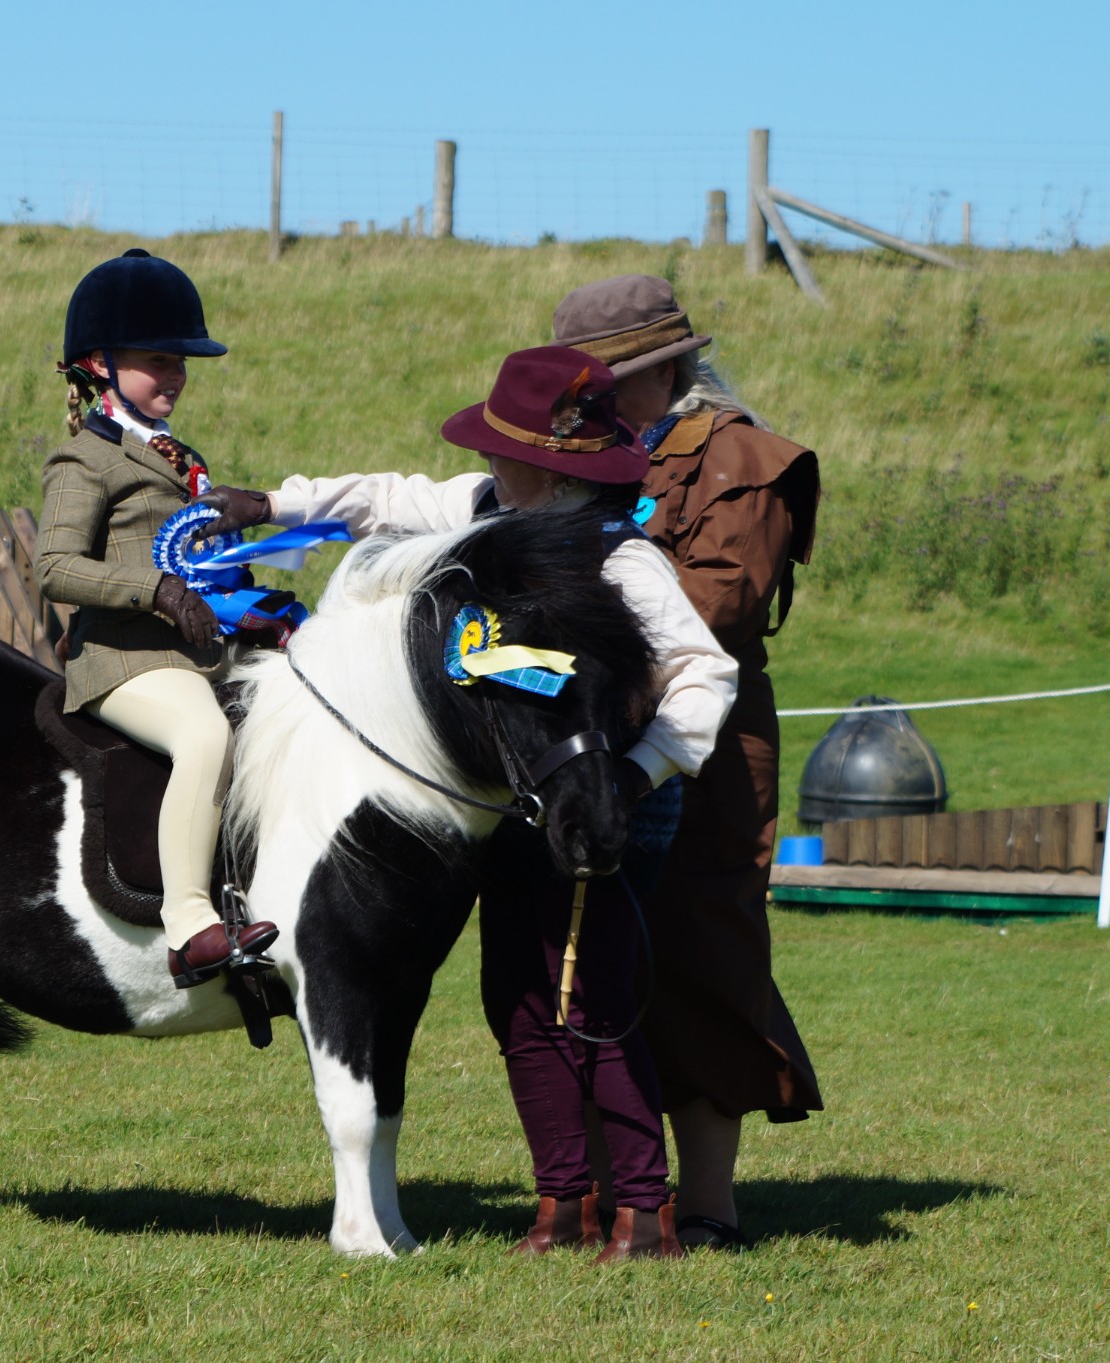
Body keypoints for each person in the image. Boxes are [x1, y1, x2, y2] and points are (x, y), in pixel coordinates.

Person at [198, 346, 737, 1260]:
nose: (486, 462)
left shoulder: (619, 556)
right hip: (514, 810)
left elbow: (703, 673)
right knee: (517, 1002)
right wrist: (274, 506)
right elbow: (384, 497)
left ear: (548, 463)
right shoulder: (487, 510)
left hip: (600, 808)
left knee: (593, 1000)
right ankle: (559, 1203)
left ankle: (645, 1212)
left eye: (502, 450)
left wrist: (635, 775)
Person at [551, 274, 823, 1249]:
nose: (588, 397)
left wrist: (573, 612)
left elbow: (719, 605)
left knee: (702, 954)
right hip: (589, 719)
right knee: (586, 959)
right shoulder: (583, 451)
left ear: (664, 364)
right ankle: (595, 1193)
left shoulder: (744, 458)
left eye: (607, 378)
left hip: (707, 736)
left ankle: (707, 1207)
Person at [33, 249, 278, 987]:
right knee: (203, 734)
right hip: (123, 662)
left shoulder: (180, 459)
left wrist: (251, 611)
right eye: (156, 361)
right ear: (101, 364)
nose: (173, 374)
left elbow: (203, 563)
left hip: (199, 653)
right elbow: (53, 566)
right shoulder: (86, 460)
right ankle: (190, 923)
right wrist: (159, 590)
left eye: (182, 361)